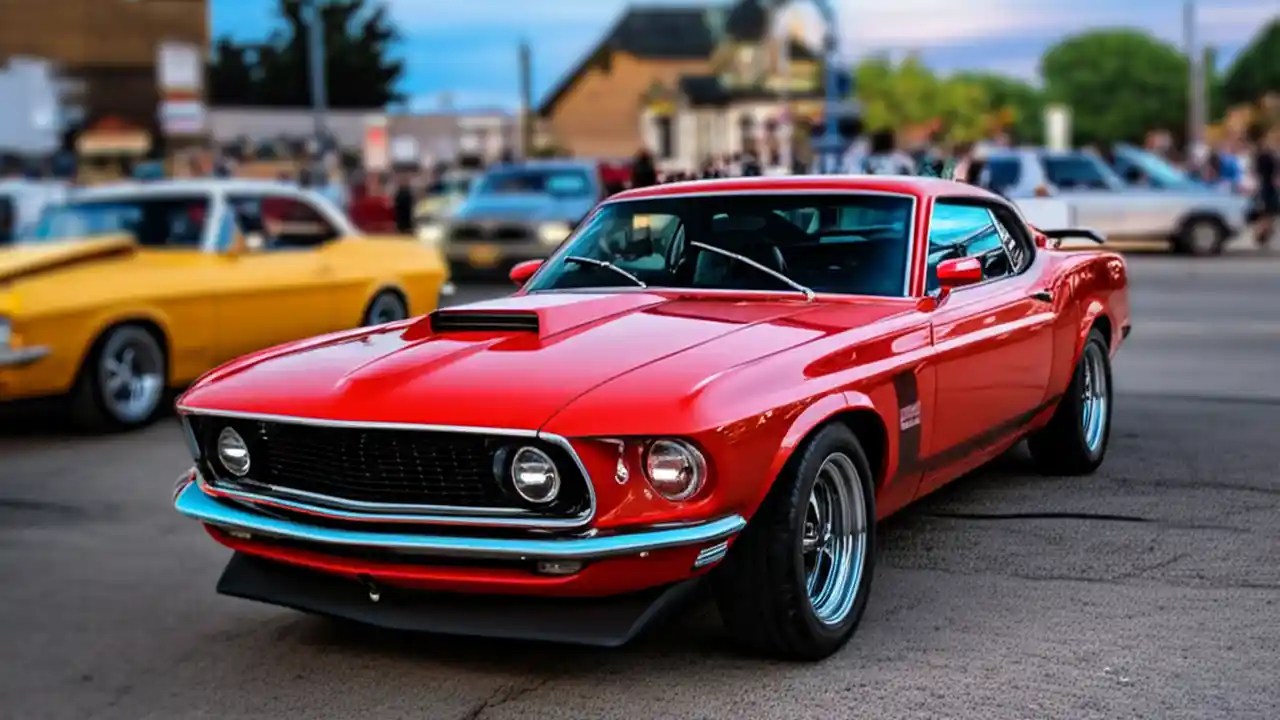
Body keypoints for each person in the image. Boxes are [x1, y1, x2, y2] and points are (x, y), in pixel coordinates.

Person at [1250, 126, 1278, 249]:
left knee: (1268, 215)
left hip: (1269, 187)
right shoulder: (1263, 156)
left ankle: (1263, 237)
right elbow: (1257, 172)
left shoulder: (1268, 155)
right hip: (1265, 187)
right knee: (1266, 214)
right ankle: (1261, 236)